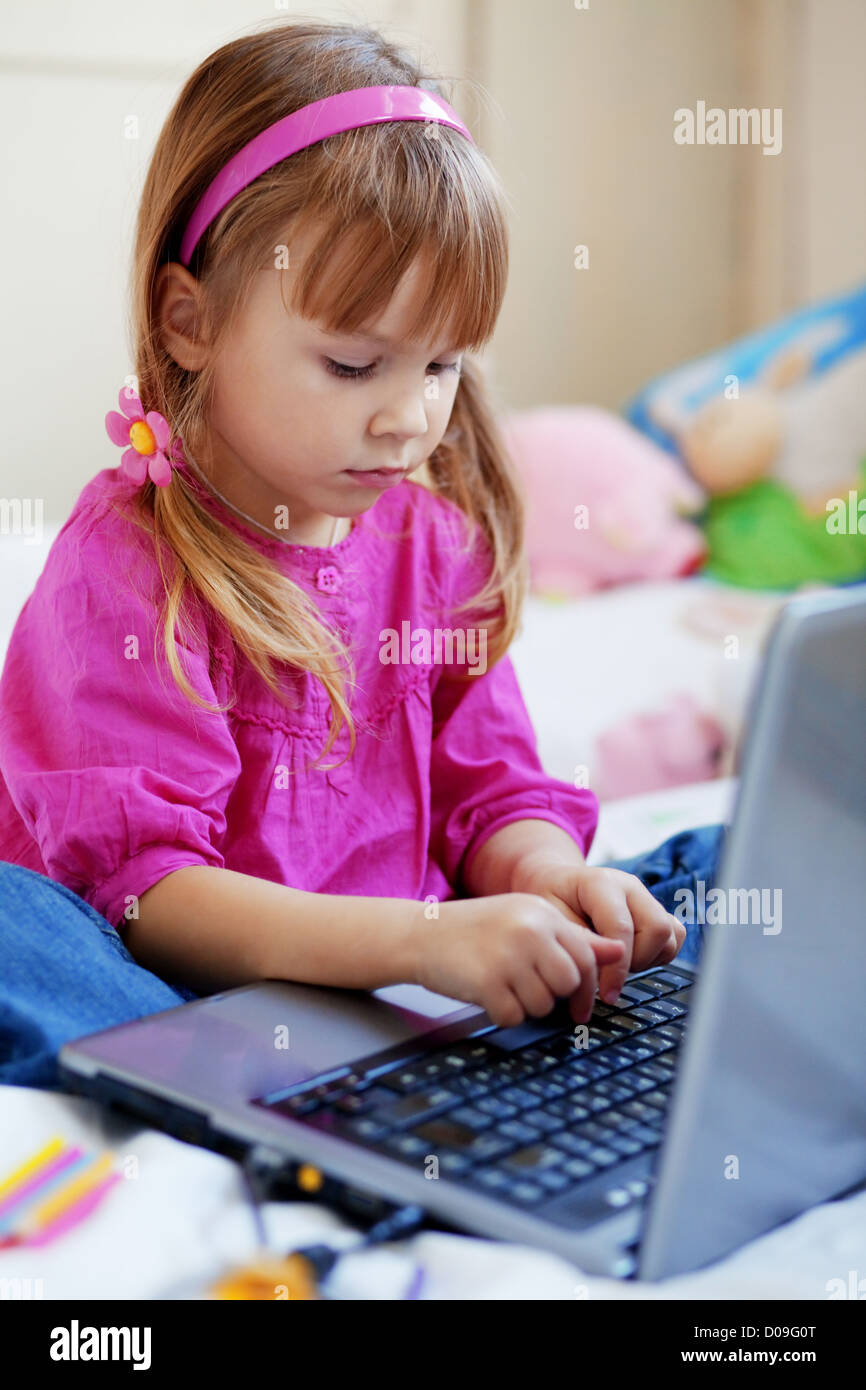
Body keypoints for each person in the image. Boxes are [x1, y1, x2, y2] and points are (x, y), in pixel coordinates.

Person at [0, 20, 725, 1091]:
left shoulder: (428, 533)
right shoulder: (127, 564)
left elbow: (494, 788)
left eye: (438, 364)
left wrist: (549, 885)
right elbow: (151, 900)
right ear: (187, 320)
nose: (407, 420)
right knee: (17, 931)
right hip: (203, 997)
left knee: (718, 869)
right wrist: (426, 940)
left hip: (415, 989)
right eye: (352, 364)